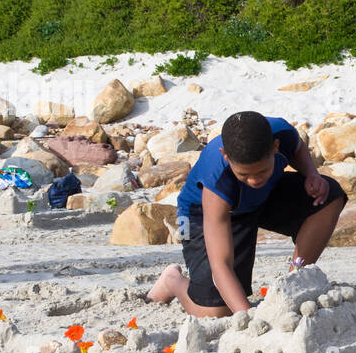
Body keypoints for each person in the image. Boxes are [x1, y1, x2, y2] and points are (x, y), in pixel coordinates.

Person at [147, 111, 345, 316]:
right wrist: (248, 316)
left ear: (275, 147)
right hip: (198, 214)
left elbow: (297, 148)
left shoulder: (282, 132)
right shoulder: (216, 179)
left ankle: (293, 281)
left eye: (261, 171)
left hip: (258, 199)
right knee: (217, 310)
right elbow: (220, 264)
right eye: (244, 173)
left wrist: (311, 174)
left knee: (329, 195)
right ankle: (172, 281)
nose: (254, 180)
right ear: (226, 155)